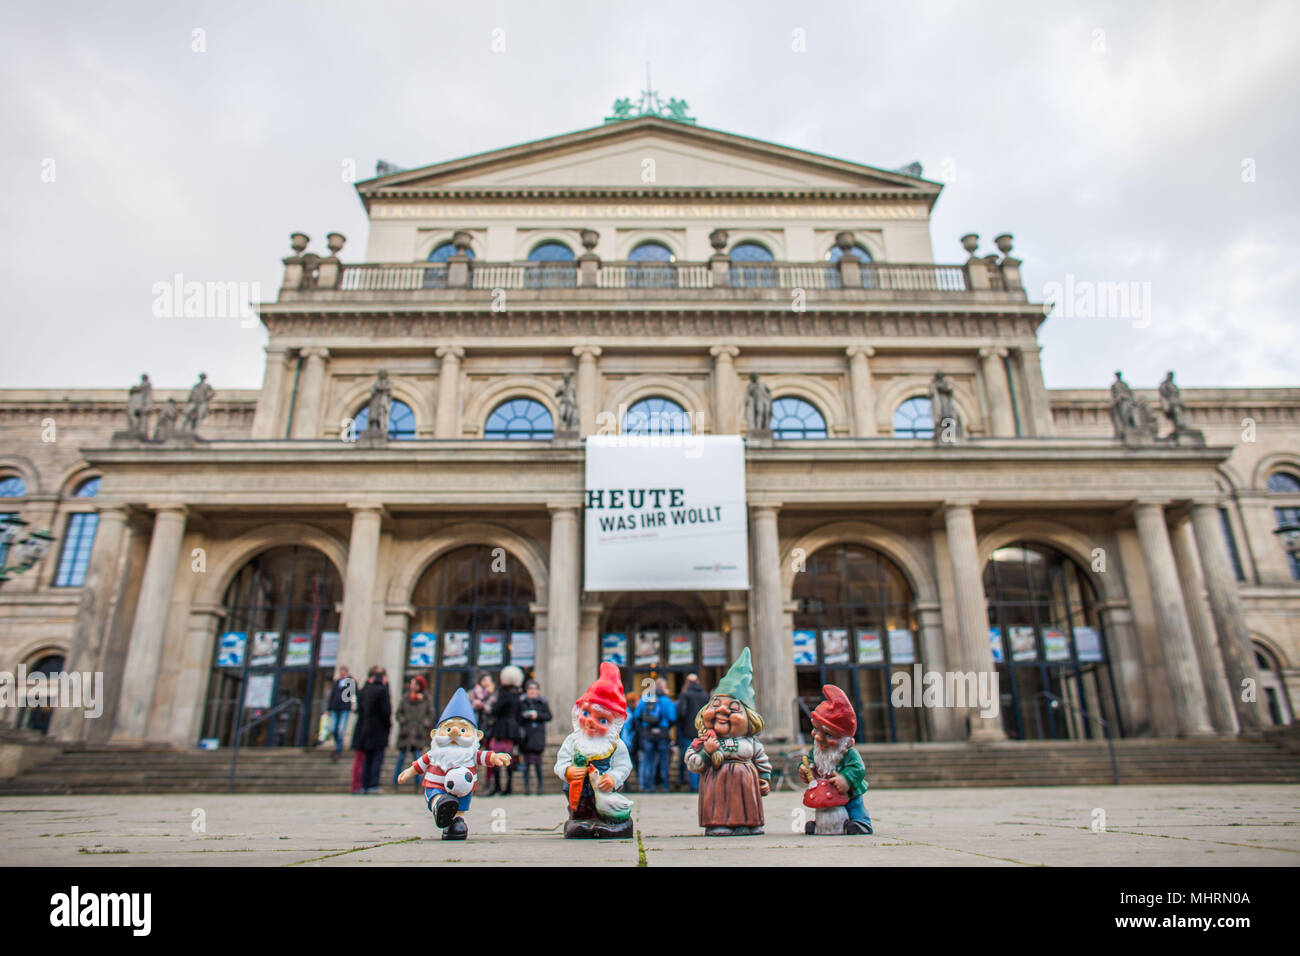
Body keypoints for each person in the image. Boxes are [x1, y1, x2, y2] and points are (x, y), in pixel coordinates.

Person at [398, 687, 511, 841]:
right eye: (448, 728)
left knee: (459, 809)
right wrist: (410, 771)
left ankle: (456, 822)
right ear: (434, 734)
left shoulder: (470, 753)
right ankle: (439, 804)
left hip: (462, 789)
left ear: (477, 736)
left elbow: (482, 756)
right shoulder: (435, 753)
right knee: (437, 797)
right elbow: (422, 762)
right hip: (436, 785)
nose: (455, 732)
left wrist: (494, 757)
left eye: (463, 729)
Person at [797, 684, 872, 835]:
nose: (818, 737)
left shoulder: (849, 754)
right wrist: (806, 771)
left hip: (848, 792)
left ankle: (861, 822)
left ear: (846, 741)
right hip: (825, 792)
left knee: (854, 805)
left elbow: (858, 769)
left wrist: (846, 779)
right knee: (824, 806)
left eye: (829, 735)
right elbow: (811, 762)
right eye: (816, 730)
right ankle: (821, 825)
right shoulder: (816, 751)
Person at [626, 678, 675, 792]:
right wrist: (666, 727)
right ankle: (664, 785)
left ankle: (648, 786)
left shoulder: (645, 699)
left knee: (648, 760)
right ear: (663, 687)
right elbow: (672, 717)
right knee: (664, 760)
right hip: (662, 733)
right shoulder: (666, 700)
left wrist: (643, 727)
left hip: (647, 733)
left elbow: (637, 715)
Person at [485, 665, 525, 796]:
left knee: (495, 757)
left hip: (501, 728)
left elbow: (495, 710)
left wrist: (489, 710)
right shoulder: (518, 695)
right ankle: (508, 787)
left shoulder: (504, 694)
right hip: (512, 729)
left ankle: (497, 786)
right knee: (509, 759)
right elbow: (520, 713)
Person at [352, 666, 391, 794]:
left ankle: (364, 785)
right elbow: (386, 711)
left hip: (365, 730)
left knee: (367, 759)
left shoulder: (365, 690)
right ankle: (373, 785)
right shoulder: (382, 690)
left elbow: (359, 709)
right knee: (377, 759)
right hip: (379, 730)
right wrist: (388, 725)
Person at [392, 676, 435, 789]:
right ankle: (396, 782)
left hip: (418, 733)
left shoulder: (426, 699)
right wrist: (403, 722)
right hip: (405, 732)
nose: (412, 686)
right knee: (401, 758)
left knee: (418, 760)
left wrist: (424, 724)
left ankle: (418, 785)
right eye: (411, 684)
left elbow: (430, 715)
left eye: (415, 684)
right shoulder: (406, 698)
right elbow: (398, 713)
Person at [517, 679, 552, 795]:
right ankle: (527, 788)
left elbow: (548, 716)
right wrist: (526, 715)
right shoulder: (522, 701)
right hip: (526, 736)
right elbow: (518, 717)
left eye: (534, 689)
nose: (532, 691)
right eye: (530, 689)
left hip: (538, 736)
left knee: (538, 764)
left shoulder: (542, 702)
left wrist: (537, 715)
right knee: (526, 764)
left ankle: (540, 787)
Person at [676, 673, 709, 792]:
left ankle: (693, 785)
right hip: (702, 732)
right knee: (702, 757)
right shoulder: (704, 695)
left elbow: (681, 713)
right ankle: (701, 784)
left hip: (687, 731)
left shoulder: (685, 695)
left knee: (690, 757)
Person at [326, 666, 357, 761]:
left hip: (344, 708)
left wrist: (353, 704)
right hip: (335, 707)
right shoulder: (337, 682)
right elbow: (332, 695)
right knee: (333, 728)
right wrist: (328, 708)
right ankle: (338, 745)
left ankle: (338, 749)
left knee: (340, 729)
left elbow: (352, 694)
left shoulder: (350, 682)